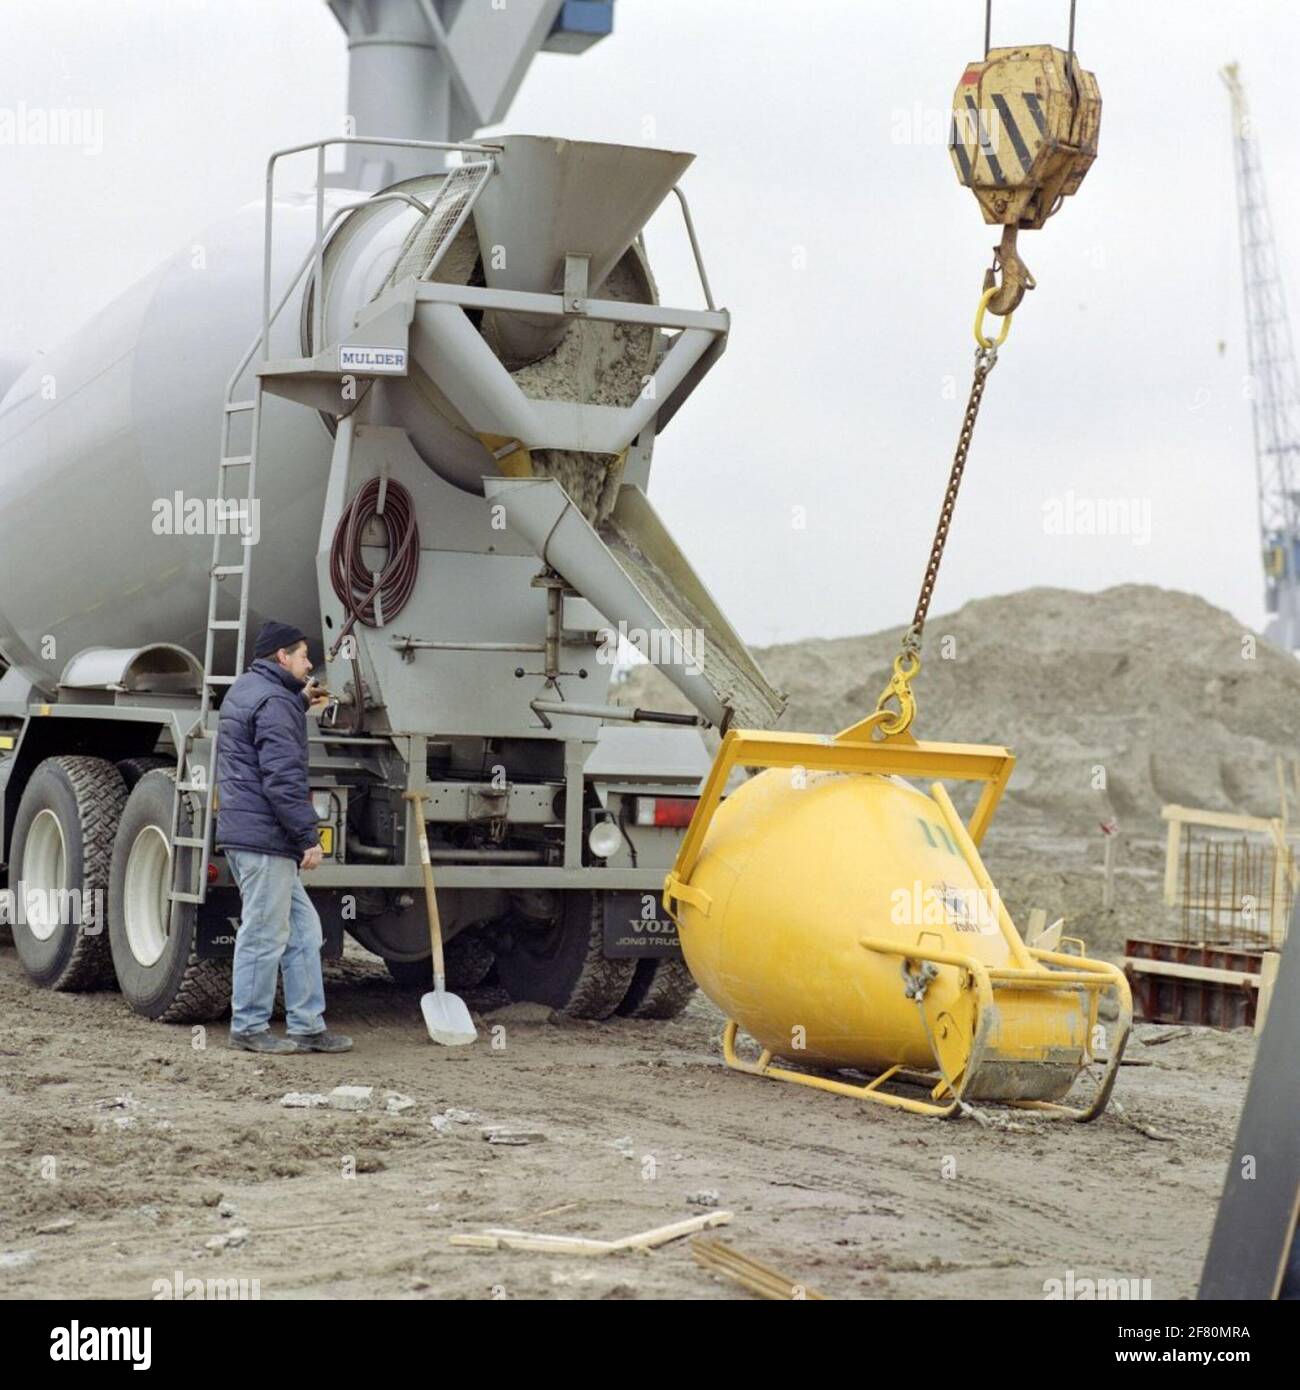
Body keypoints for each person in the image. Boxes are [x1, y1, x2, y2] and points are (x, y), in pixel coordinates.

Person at [215, 619, 353, 1054]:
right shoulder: (274, 702)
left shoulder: (251, 690)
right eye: (304, 656)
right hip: (265, 837)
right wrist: (307, 837)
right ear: (282, 657)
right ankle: (248, 1027)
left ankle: (308, 1026)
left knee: (305, 932)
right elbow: (282, 779)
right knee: (264, 933)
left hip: (253, 834)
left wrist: (298, 698)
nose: (310, 664)